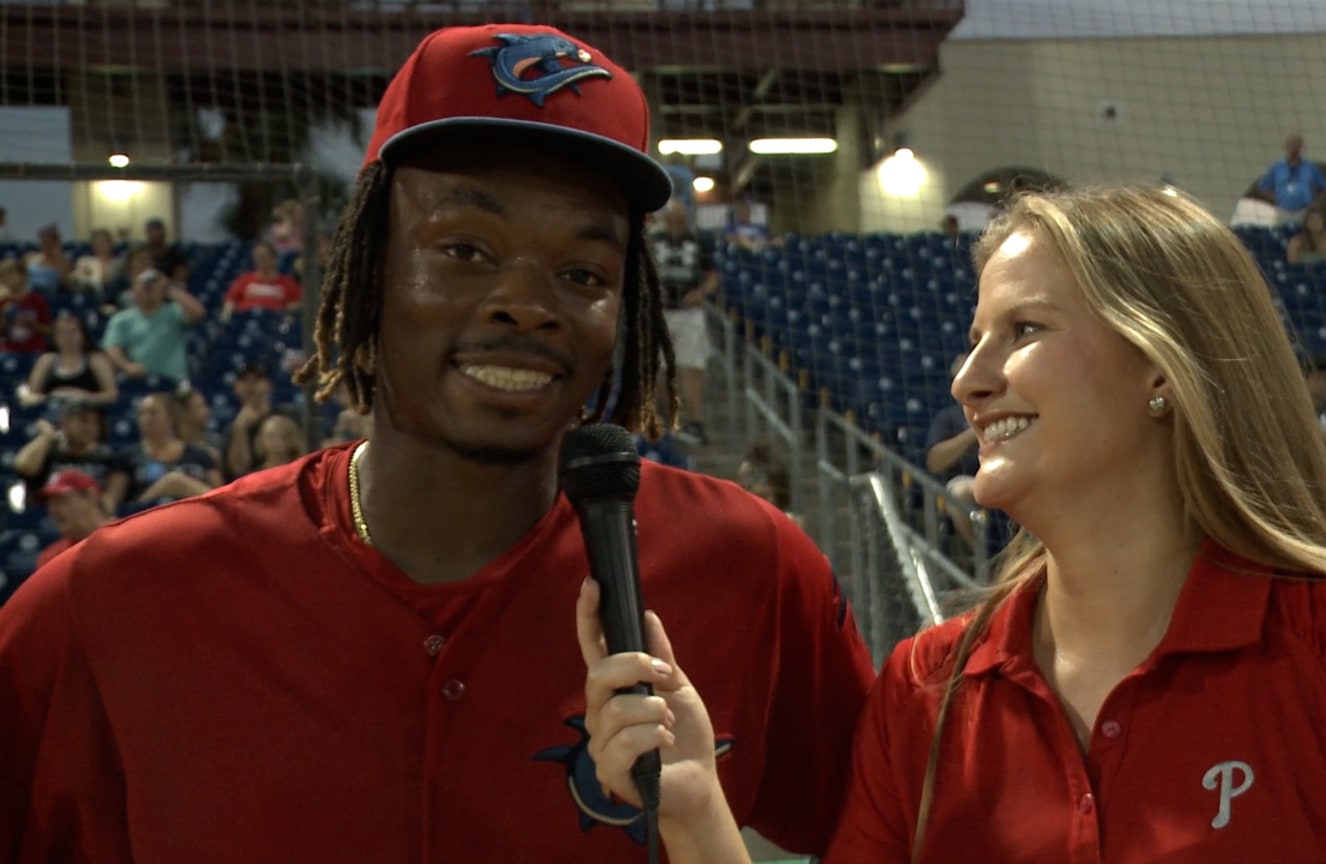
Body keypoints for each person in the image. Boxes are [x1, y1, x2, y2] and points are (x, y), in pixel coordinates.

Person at [0, 23, 873, 861]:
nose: (527, 303)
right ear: (370, 267)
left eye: (581, 273)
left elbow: (908, 829)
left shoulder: (749, 567)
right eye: (463, 249)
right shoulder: (123, 597)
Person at [584, 185, 1326, 863]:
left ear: (1163, 367)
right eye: (972, 340)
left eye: (1024, 331)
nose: (969, 380)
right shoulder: (926, 689)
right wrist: (702, 815)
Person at [651, 201, 718, 442]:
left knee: (693, 366)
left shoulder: (699, 241)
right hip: (660, 312)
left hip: (690, 311)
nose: (676, 224)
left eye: (680, 219)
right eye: (673, 220)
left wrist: (701, 293)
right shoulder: (653, 241)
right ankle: (664, 417)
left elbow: (713, 276)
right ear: (666, 220)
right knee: (657, 366)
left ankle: (695, 422)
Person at [101, 267, 205, 381]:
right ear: (133, 290)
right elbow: (111, 348)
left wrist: (168, 288)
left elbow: (198, 313)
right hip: (139, 381)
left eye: (151, 286)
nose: (148, 288)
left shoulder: (174, 312)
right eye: (143, 285)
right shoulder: (121, 319)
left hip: (173, 382)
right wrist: (126, 366)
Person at [925, 353, 980, 551]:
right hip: (971, 481)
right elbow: (934, 462)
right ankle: (983, 557)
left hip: (1008, 476)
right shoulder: (948, 417)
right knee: (959, 492)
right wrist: (972, 434)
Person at [19, 312, 119, 408]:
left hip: (86, 414)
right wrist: (54, 399)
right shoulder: (46, 361)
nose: (67, 337)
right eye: (62, 333)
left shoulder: (96, 360)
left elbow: (111, 395)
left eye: (72, 332)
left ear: (82, 335)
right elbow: (31, 396)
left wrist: (84, 398)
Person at [33, 470, 111, 570]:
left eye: (60, 500)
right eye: (49, 504)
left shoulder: (127, 540)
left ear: (90, 496)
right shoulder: (52, 559)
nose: (53, 510)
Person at [1254, 133, 1326, 224]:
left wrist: (1316, 204)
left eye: (1297, 145)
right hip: (1283, 212)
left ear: (1302, 148)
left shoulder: (1310, 167)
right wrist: (1276, 198)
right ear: (1285, 147)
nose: (1294, 148)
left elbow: (1325, 188)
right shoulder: (1277, 167)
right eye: (1292, 145)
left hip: (1304, 212)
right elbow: (1262, 187)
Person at [220, 240, 303, 320]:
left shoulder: (287, 282)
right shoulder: (244, 279)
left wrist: (289, 309)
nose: (260, 260)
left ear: (273, 258)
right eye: (257, 257)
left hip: (273, 322)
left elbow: (301, 302)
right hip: (247, 319)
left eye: (263, 256)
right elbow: (229, 300)